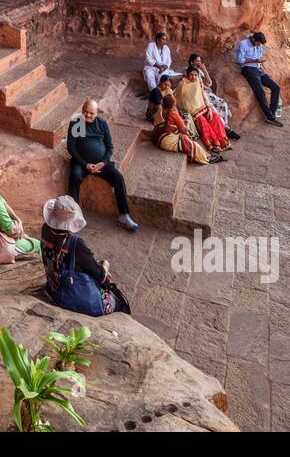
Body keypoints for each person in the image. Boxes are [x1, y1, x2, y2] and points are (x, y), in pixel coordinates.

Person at [40, 196, 130, 317]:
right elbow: (99, 274)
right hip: (67, 293)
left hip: (52, 288)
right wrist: (104, 269)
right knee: (120, 302)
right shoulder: (76, 243)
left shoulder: (45, 229)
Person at [66, 99, 139, 232]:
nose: (87, 115)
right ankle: (75, 214)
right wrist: (85, 164)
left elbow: (110, 147)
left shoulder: (102, 124)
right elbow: (71, 148)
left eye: (91, 113)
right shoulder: (77, 123)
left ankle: (124, 215)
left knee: (118, 177)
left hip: (101, 163)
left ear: (97, 112)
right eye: (85, 112)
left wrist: (104, 162)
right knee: (75, 176)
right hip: (82, 162)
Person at [176, 64, 231, 152]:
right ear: (187, 74)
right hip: (192, 112)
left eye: (195, 75)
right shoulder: (182, 84)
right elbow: (183, 101)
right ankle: (214, 143)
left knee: (215, 116)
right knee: (203, 122)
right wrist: (196, 111)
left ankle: (223, 141)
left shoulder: (198, 82)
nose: (193, 77)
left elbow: (203, 96)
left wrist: (209, 108)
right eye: (191, 75)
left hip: (203, 107)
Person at [187, 53, 240, 141]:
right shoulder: (189, 71)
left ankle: (223, 127)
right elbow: (194, 85)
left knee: (222, 103)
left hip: (206, 93)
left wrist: (204, 70)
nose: (199, 63)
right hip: (199, 94)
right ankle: (225, 129)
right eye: (197, 61)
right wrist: (203, 86)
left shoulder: (200, 71)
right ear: (192, 62)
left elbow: (209, 83)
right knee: (211, 107)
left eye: (200, 61)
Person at [152, 93, 218, 164]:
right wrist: (188, 135)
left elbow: (157, 126)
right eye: (175, 104)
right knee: (191, 143)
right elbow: (183, 130)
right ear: (173, 105)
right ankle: (206, 158)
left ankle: (206, 155)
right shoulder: (173, 114)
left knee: (185, 139)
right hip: (167, 142)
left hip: (158, 139)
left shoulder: (159, 111)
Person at [234, 30, 282, 126]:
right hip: (248, 69)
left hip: (258, 69)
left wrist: (259, 63)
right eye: (258, 43)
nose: (258, 45)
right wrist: (255, 60)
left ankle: (272, 113)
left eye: (260, 44)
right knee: (260, 91)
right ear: (253, 38)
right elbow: (240, 60)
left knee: (276, 87)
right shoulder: (243, 44)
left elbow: (259, 58)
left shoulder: (259, 45)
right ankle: (270, 117)